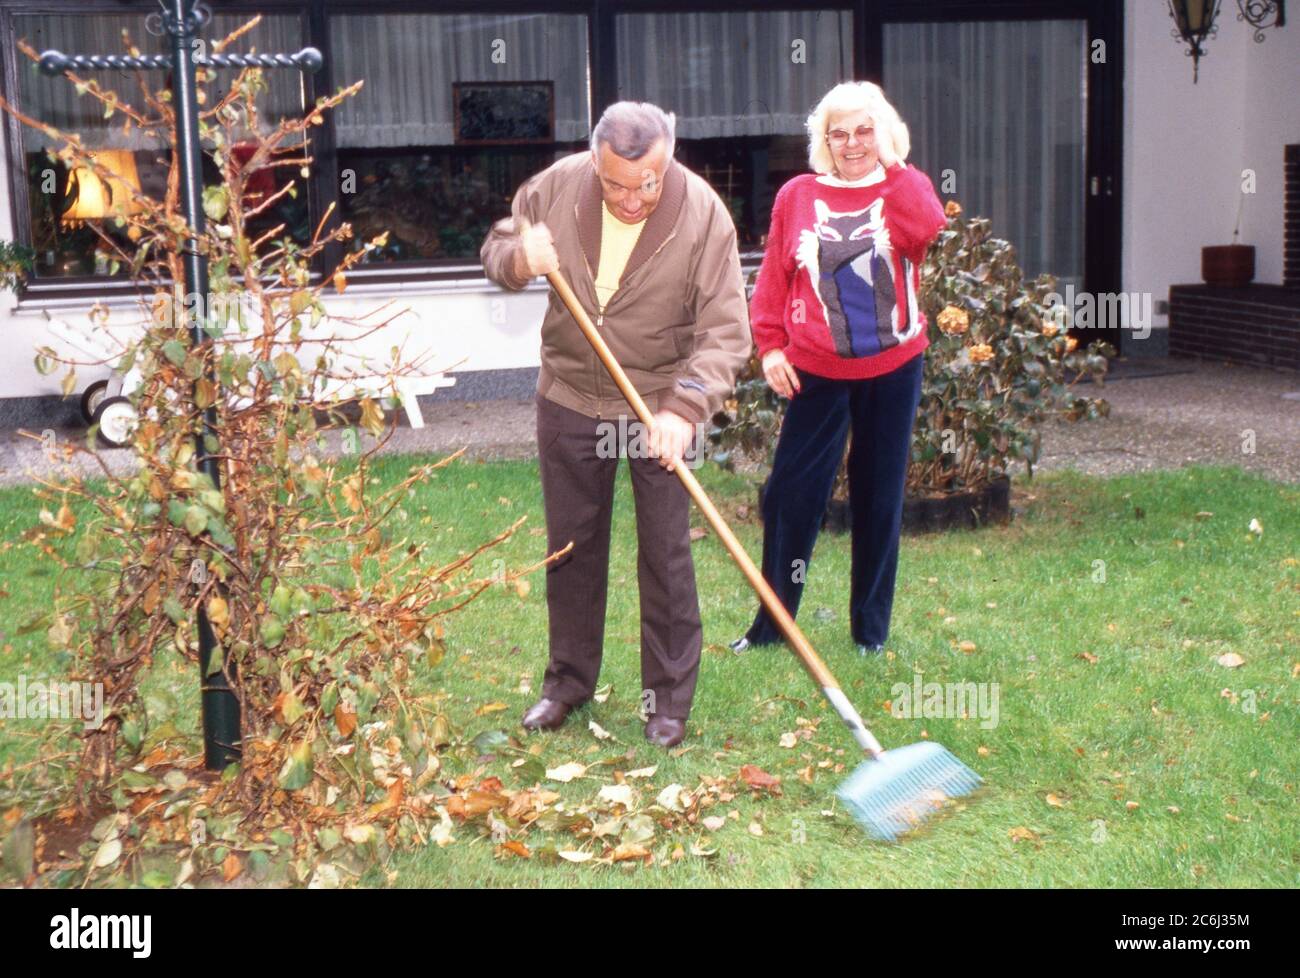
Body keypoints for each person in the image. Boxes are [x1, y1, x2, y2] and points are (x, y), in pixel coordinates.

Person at [480, 101, 750, 747]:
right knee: (571, 551)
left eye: (646, 183)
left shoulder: (703, 213)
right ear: (594, 159)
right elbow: (496, 248)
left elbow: (724, 329)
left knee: (665, 554)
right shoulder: (557, 185)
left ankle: (667, 702)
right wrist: (519, 257)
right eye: (616, 185)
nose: (630, 199)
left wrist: (685, 409)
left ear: (670, 158)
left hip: (658, 401)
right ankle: (566, 685)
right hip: (571, 395)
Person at [730, 81, 947, 656]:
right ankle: (773, 626)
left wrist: (894, 167)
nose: (852, 144)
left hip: (893, 367)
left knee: (879, 497)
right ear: (824, 140)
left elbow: (926, 230)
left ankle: (869, 633)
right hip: (817, 370)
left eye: (864, 130)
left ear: (884, 133)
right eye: (840, 133)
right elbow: (774, 278)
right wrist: (771, 346)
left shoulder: (904, 188)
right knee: (789, 497)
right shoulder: (798, 195)